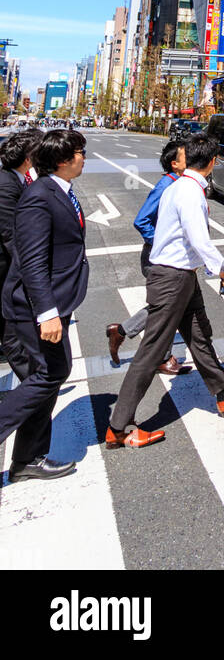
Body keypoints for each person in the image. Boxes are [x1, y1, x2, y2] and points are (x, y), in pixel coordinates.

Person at [106, 133, 224, 448]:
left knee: (199, 336)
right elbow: (199, 240)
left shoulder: (177, 186)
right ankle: (119, 427)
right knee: (151, 352)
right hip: (172, 278)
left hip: (181, 275)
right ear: (212, 162)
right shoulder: (190, 192)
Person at [0, 129, 90, 482]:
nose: (84, 157)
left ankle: (28, 459)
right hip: (35, 307)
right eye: (80, 152)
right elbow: (32, 262)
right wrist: (47, 313)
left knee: (51, 375)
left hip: (55, 301)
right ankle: (23, 453)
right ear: (63, 160)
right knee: (48, 374)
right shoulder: (40, 196)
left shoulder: (57, 190)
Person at [105, 140, 189, 374]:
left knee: (170, 305)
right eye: (186, 157)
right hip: (157, 256)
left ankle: (122, 333)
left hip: (170, 256)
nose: (190, 159)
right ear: (175, 164)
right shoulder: (166, 186)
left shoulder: (180, 184)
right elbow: (141, 220)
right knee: (168, 306)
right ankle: (156, 354)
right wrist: (161, 242)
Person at [0, 129, 42, 381]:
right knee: (11, 333)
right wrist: (31, 275)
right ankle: (33, 385)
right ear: (29, 158)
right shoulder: (6, 185)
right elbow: (10, 236)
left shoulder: (18, 179)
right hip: (5, 270)